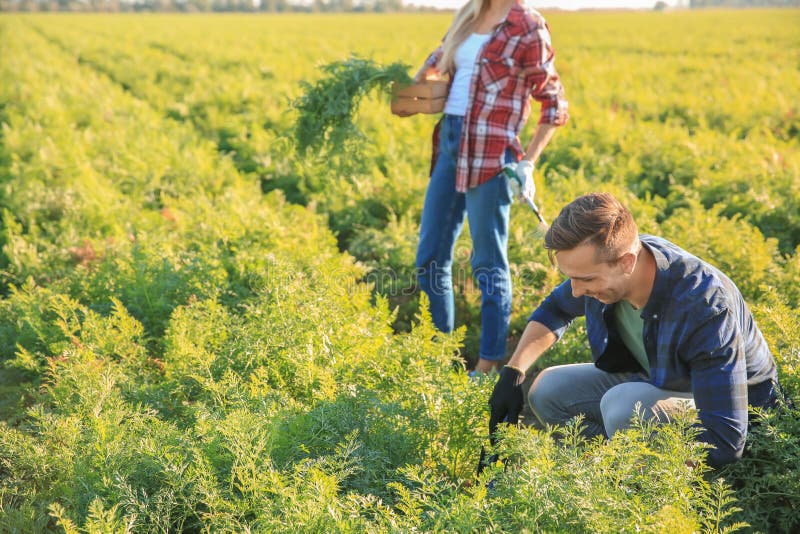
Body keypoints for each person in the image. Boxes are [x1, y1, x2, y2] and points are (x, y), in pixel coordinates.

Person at [488, 192, 782, 467]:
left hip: (735, 411)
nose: (576, 292)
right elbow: (556, 309)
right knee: (547, 390)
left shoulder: (703, 305)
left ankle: (636, 488)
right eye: (570, 278)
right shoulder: (613, 265)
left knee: (625, 406)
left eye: (586, 279)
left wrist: (628, 466)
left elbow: (726, 438)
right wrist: (513, 372)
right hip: (660, 378)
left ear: (627, 262)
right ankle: (602, 474)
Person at [407, 0, 569, 375]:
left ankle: (489, 363)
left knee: (487, 263)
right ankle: (439, 357)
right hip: (450, 143)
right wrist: (409, 85)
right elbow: (430, 70)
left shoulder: (528, 26)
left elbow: (554, 104)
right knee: (429, 257)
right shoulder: (468, 15)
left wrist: (527, 162)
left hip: (493, 155)